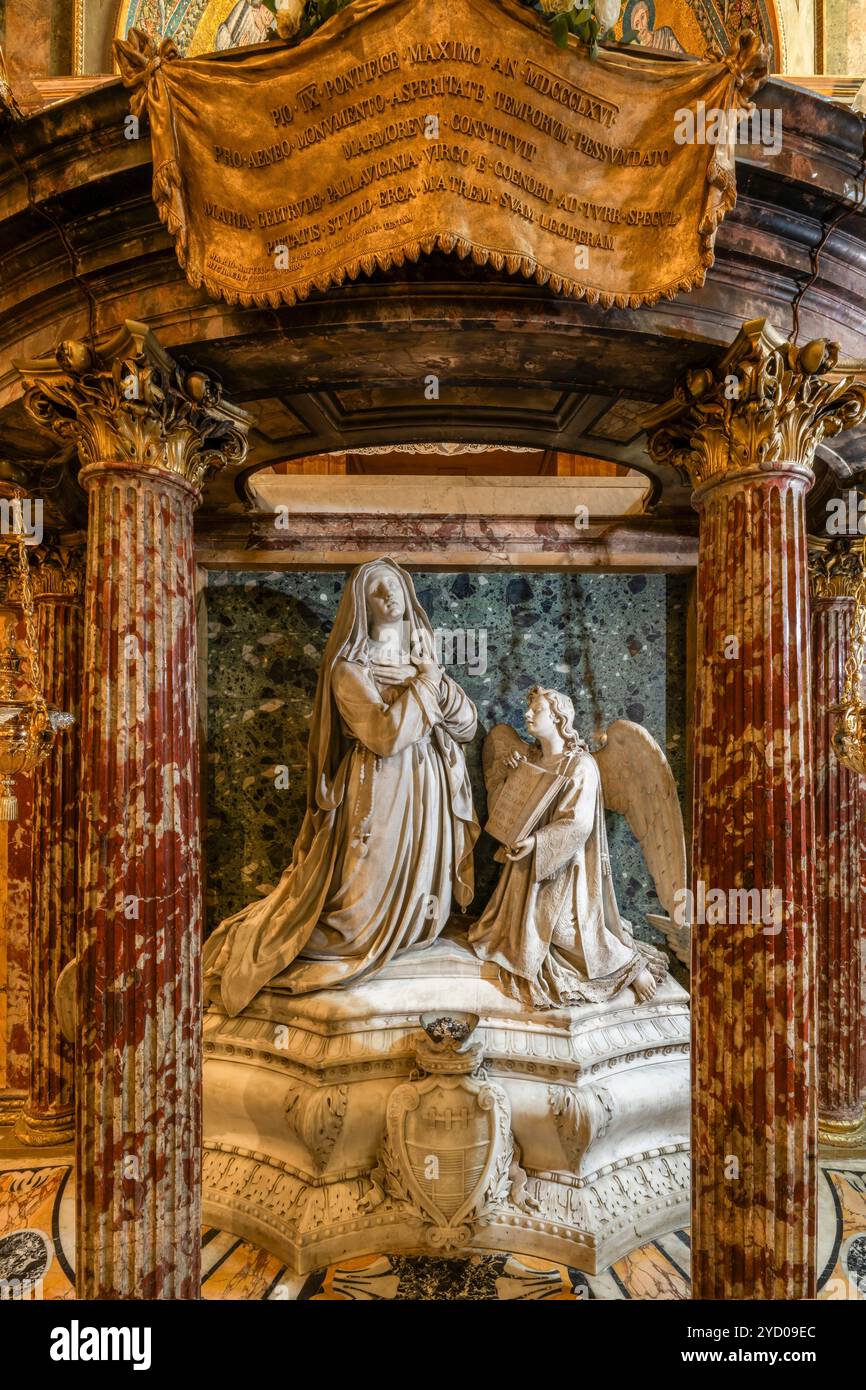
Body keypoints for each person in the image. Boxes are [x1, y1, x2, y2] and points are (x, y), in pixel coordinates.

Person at [203, 558, 479, 1015]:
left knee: (423, 916)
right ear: (361, 606)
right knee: (353, 916)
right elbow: (385, 735)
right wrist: (428, 683)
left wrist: (430, 676)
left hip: (428, 791)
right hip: (379, 789)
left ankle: (406, 933)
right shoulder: (350, 669)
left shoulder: (420, 662)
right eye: (377, 590)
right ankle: (288, 940)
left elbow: (467, 725)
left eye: (395, 586)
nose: (390, 595)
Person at [469, 686, 667, 1009]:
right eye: (529, 708)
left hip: (563, 872)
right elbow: (505, 810)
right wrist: (507, 775)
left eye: (538, 710)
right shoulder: (530, 758)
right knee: (514, 937)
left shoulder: (581, 766)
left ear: (559, 718)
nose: (528, 714)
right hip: (525, 869)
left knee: (571, 938)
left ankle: (631, 967)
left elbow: (578, 824)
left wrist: (536, 843)